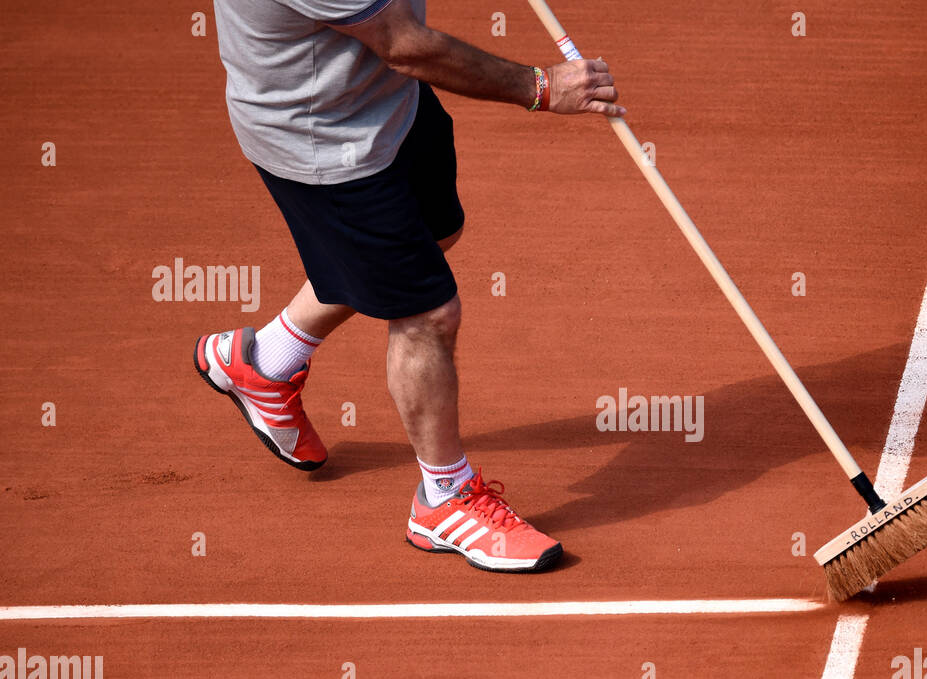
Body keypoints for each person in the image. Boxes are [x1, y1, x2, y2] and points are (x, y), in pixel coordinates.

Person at [194, 0, 623, 573]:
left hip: (383, 102)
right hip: (328, 143)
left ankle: (266, 361)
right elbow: (403, 42)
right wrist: (540, 87)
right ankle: (443, 501)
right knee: (428, 314)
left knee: (433, 233)